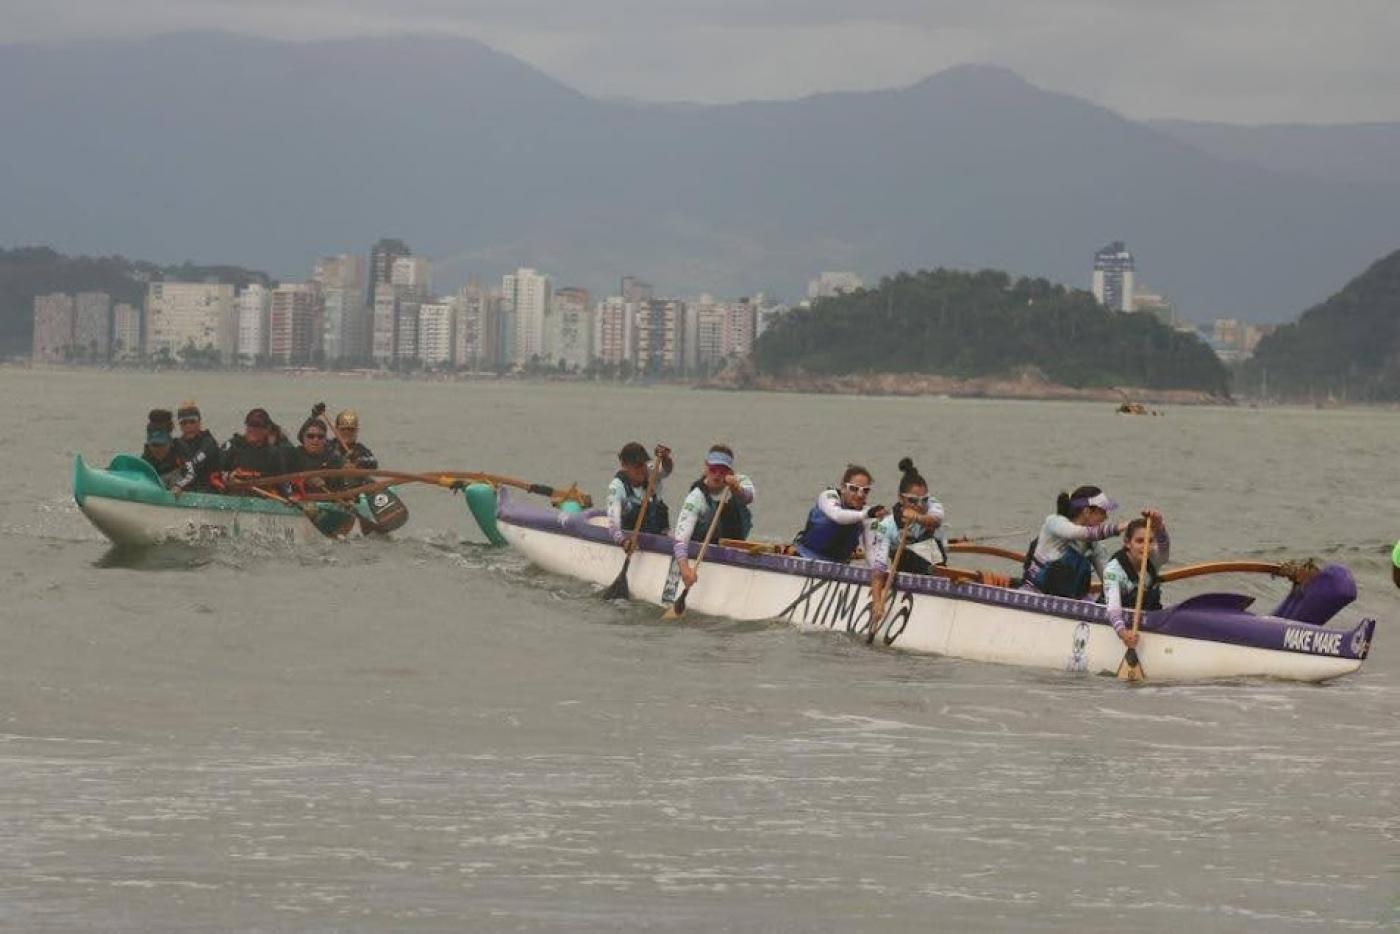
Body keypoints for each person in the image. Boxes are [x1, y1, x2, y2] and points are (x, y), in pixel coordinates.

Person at [1021, 485, 1129, 599]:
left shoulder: (1094, 545)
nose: (1106, 518)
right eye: (1102, 512)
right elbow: (1077, 533)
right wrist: (1118, 528)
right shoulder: (1054, 522)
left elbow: (1109, 578)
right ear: (1087, 511)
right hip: (1034, 594)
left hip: (1068, 602)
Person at [673, 445, 755, 588]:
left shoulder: (740, 481)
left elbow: (749, 497)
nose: (717, 475)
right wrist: (685, 571)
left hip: (733, 548)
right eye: (713, 469)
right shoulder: (696, 498)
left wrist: (736, 489)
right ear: (706, 468)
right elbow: (680, 540)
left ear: (730, 472)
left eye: (723, 471)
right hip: (702, 551)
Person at [1100, 511, 1170, 648]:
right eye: (1139, 541)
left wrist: (1160, 526)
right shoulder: (1113, 570)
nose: (1146, 547)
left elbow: (1164, 548)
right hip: (1118, 623)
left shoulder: (1154, 559)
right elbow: (1113, 608)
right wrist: (1123, 633)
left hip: (1146, 616)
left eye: (1150, 541)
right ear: (1127, 543)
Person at [793, 465, 887, 565]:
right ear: (843, 487)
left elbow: (872, 552)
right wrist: (867, 514)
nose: (860, 495)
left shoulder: (867, 516)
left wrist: (879, 572)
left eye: (865, 490)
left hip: (839, 568)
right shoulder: (828, 496)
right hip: (804, 558)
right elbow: (837, 516)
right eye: (854, 489)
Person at [874, 457, 948, 575]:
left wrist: (916, 518)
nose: (919, 506)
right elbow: (878, 569)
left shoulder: (933, 505)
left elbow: (935, 521)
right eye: (913, 501)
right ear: (900, 497)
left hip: (936, 577)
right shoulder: (887, 525)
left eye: (924, 500)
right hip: (905, 579)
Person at [607, 441, 674, 547]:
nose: (642, 469)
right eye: (636, 466)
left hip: (659, 544)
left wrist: (665, 458)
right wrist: (624, 542)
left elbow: (667, 469)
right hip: (634, 544)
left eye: (643, 464)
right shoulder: (617, 487)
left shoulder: (651, 472)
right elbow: (613, 524)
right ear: (624, 465)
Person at [217, 407, 288, 488]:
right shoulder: (232, 445)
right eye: (250, 424)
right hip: (234, 494)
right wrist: (228, 476)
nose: (252, 429)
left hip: (262, 496)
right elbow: (216, 470)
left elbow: (282, 482)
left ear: (267, 429)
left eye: (258, 425)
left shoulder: (274, 453)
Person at [170, 401, 220, 493]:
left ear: (199, 422)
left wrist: (179, 485)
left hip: (207, 490)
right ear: (180, 426)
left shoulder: (209, 443)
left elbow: (193, 465)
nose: (188, 426)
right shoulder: (176, 444)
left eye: (192, 421)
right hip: (184, 486)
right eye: (184, 423)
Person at [285, 418, 344, 495]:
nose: (315, 440)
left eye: (320, 437)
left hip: (326, 501)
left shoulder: (334, 459)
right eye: (310, 436)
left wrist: (326, 481)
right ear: (303, 438)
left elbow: (339, 486)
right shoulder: (293, 455)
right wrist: (305, 479)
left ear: (325, 439)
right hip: (297, 500)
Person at [140, 409, 183, 488]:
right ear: (148, 444)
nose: (157, 450)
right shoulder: (145, 459)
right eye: (154, 445)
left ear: (170, 443)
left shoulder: (181, 453)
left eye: (161, 445)